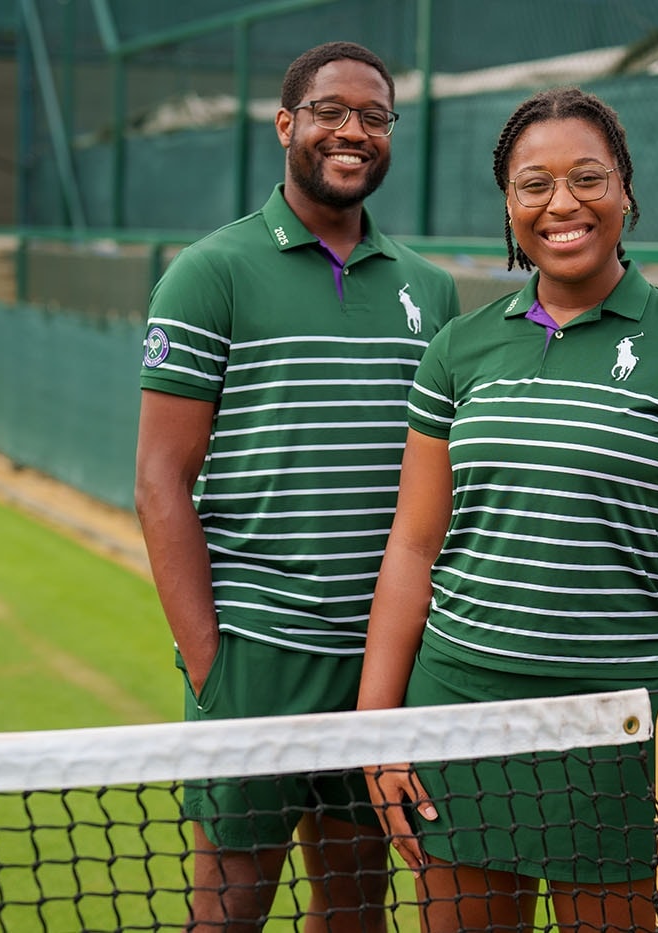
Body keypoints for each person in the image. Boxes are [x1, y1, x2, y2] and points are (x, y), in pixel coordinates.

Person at [356, 86, 658, 932]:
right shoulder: (457, 350)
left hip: (617, 732)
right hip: (460, 721)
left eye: (587, 178)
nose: (562, 204)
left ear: (625, 190)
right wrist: (376, 726)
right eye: (534, 184)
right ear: (509, 205)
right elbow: (413, 544)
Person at [134, 41, 459, 932]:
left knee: (355, 910)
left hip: (383, 665)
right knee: (230, 913)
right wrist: (212, 663)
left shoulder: (431, 291)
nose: (353, 131)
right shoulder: (209, 272)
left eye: (375, 116)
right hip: (256, 658)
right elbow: (160, 481)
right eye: (330, 111)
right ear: (286, 125)